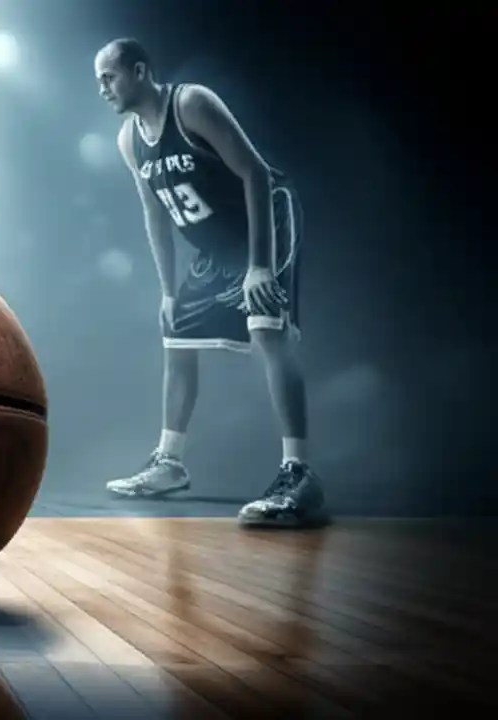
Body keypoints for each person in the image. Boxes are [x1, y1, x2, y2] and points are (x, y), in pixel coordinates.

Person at [93, 38, 326, 528]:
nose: (102, 89)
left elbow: (257, 174)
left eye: (108, 77)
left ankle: (299, 472)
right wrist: (169, 289)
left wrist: (260, 265)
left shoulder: (191, 103)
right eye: (99, 80)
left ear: (139, 71)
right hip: (215, 249)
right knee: (176, 339)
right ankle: (169, 463)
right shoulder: (129, 139)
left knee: (268, 331)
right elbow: (154, 213)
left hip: (267, 224)